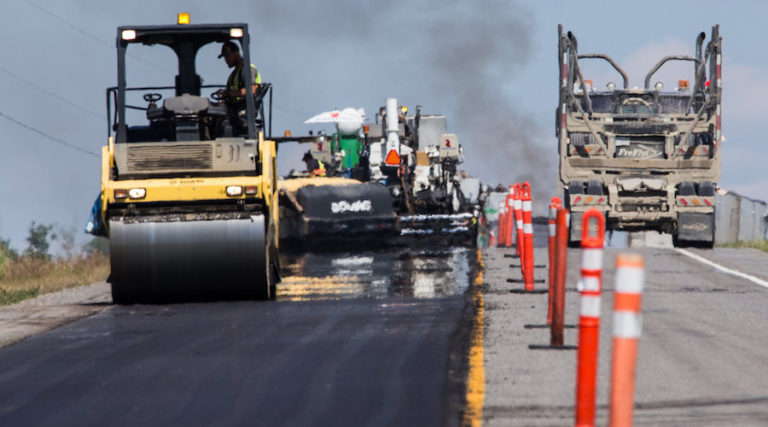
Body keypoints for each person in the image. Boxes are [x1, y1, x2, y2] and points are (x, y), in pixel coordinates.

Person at [217, 41, 261, 135]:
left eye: (228, 56)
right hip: (234, 109)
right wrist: (224, 93)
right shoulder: (233, 75)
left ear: (236, 52)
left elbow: (252, 90)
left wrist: (230, 93)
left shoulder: (248, 69)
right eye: (224, 57)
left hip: (243, 110)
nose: (226, 60)